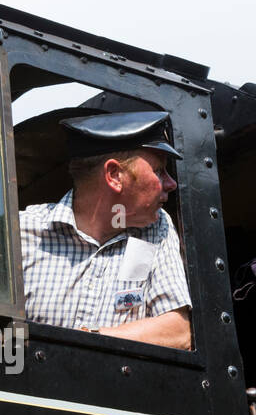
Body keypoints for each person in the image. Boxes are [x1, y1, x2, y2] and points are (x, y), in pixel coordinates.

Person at [20, 111, 193, 349]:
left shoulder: (157, 226)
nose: (171, 183)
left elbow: (178, 332)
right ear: (114, 176)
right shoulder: (22, 232)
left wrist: (89, 337)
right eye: (158, 170)